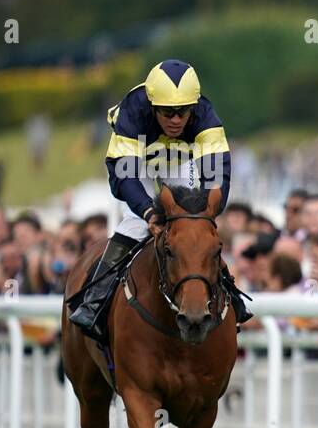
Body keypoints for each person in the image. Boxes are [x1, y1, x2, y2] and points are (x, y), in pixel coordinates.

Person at [69, 59, 251, 340]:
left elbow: (218, 179)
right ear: (153, 106)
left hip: (180, 160)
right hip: (138, 161)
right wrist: (147, 212)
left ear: (193, 107)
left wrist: (203, 214)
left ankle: (231, 296)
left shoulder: (206, 117)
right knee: (135, 223)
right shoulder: (133, 110)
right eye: (167, 112)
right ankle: (94, 299)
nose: (176, 119)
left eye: (183, 112)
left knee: (195, 229)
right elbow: (122, 177)